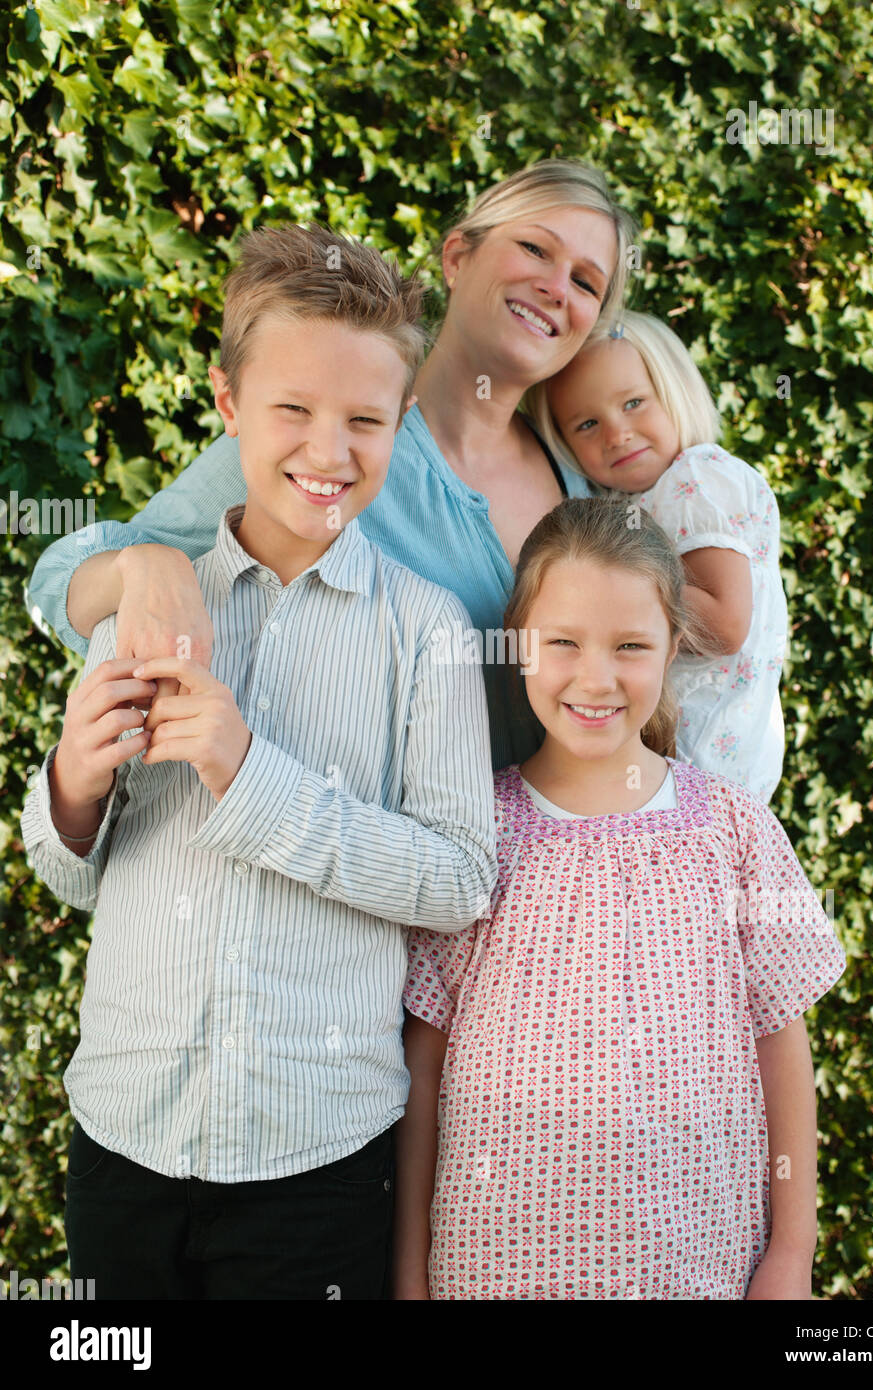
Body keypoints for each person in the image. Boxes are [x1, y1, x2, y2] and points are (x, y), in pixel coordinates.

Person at [20, 223, 497, 1301]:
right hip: (123, 1138)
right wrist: (75, 787)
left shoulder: (425, 633)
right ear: (228, 405)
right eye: (291, 410)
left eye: (365, 421)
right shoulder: (150, 601)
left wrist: (251, 772)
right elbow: (66, 869)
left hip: (318, 1157)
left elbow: (462, 878)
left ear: (402, 423)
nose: (327, 452)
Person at [26, 159, 637, 772]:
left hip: (542, 861)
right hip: (355, 849)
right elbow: (59, 578)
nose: (558, 287)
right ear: (457, 257)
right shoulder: (329, 457)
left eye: (587, 283)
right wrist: (146, 566)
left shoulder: (584, 482)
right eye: (535, 249)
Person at [393, 498, 845, 1301]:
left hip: (694, 1262)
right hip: (495, 1268)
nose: (594, 677)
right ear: (517, 644)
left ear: (674, 644)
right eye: (561, 642)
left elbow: (784, 1046)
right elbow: (423, 1067)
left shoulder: (735, 832)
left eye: (630, 645)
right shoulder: (472, 834)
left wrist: (791, 1255)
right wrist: (409, 1272)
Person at [524, 309, 788, 802]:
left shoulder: (696, 479)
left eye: (634, 403)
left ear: (673, 390)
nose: (616, 433)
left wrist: (612, 593)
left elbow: (728, 625)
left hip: (708, 757)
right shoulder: (644, 498)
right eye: (586, 424)